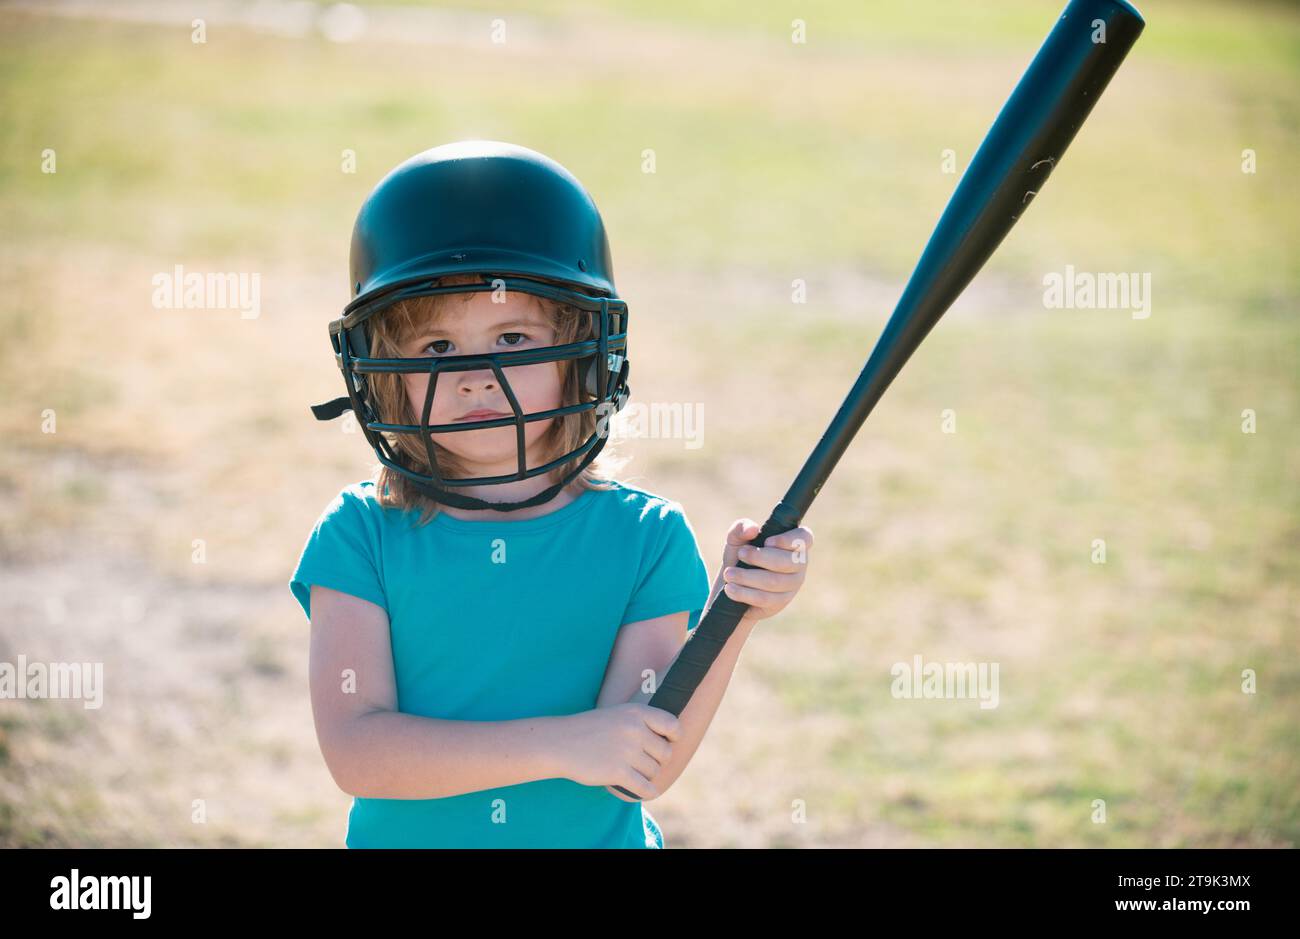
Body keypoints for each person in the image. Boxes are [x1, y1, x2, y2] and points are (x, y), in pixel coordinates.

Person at [290, 140, 814, 847]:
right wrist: (563, 743)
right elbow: (358, 751)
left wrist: (736, 613)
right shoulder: (360, 532)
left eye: (512, 335)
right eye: (437, 347)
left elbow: (639, 767)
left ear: (583, 353)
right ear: (383, 370)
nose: (476, 374)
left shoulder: (645, 538)